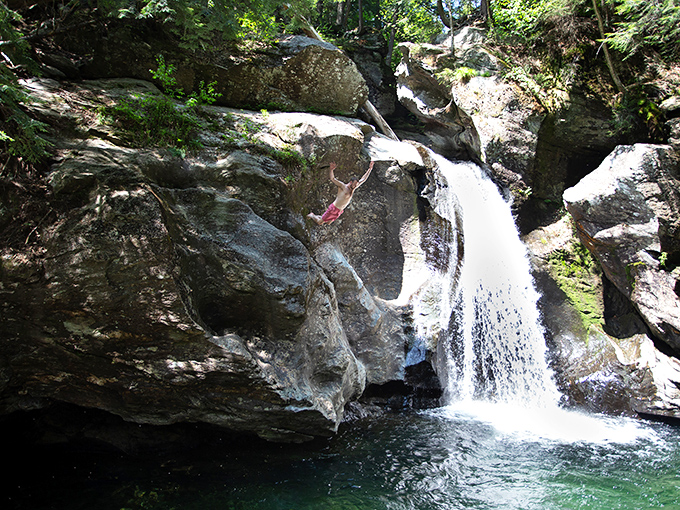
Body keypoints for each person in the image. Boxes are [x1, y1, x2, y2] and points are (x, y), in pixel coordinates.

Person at [307, 161, 374, 225]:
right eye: (354, 184)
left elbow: (363, 179)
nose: (356, 186)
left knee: (328, 222)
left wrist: (370, 169)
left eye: (356, 184)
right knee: (320, 222)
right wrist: (331, 170)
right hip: (333, 209)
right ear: (350, 182)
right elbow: (333, 178)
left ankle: (321, 217)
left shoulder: (353, 188)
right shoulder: (343, 186)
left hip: (339, 211)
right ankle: (312, 215)